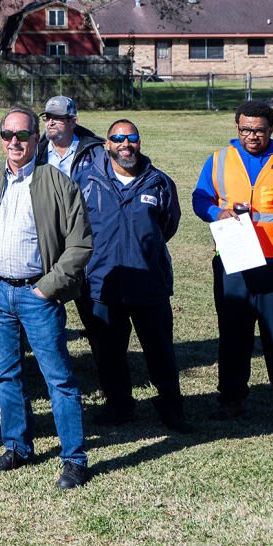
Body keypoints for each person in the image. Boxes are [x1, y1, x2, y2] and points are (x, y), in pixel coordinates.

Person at [0, 108, 94, 489]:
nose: (15, 142)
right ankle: (18, 447)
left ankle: (74, 458)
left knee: (59, 380)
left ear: (37, 138)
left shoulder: (57, 182)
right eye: (7, 135)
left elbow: (80, 243)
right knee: (5, 376)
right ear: (1, 138)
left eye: (22, 135)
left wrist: (48, 287)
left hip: (38, 294)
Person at [193, 99, 273, 432]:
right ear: (237, 128)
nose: (252, 136)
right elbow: (200, 198)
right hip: (234, 262)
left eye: (259, 130)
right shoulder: (219, 160)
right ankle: (232, 400)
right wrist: (216, 213)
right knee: (233, 336)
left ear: (271, 129)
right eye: (246, 129)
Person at [72, 119, 189, 431]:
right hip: (103, 282)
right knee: (109, 352)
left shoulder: (159, 182)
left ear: (139, 142)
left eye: (132, 137)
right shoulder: (87, 181)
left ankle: (171, 406)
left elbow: (168, 225)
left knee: (160, 350)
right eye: (118, 138)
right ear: (107, 144)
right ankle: (119, 406)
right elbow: (76, 227)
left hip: (148, 281)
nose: (125, 144)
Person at [35, 95, 100, 177]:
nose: (50, 123)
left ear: (73, 122)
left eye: (57, 117)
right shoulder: (36, 150)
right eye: (47, 118)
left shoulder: (93, 151)